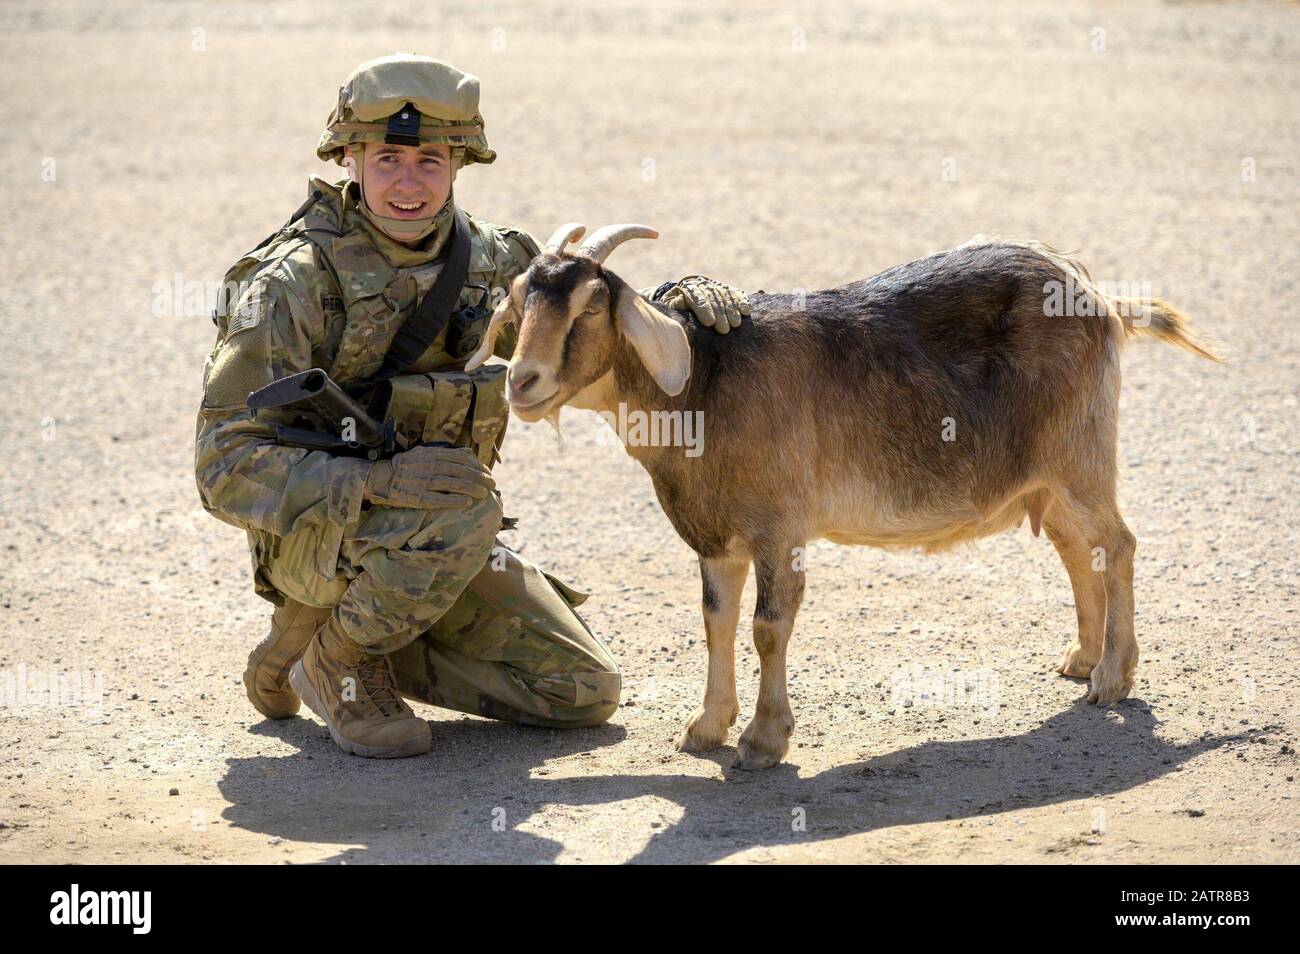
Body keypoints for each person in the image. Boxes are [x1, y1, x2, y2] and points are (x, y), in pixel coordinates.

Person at [194, 53, 751, 758]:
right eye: (387, 157)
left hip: (441, 541)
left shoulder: (499, 262)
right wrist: (372, 482)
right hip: (320, 538)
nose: (408, 182)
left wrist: (684, 303)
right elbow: (222, 464)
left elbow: (594, 335)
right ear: (349, 157)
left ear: (460, 163)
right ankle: (338, 659)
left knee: (580, 693)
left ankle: (334, 636)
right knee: (464, 506)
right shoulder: (291, 284)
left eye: (429, 160)